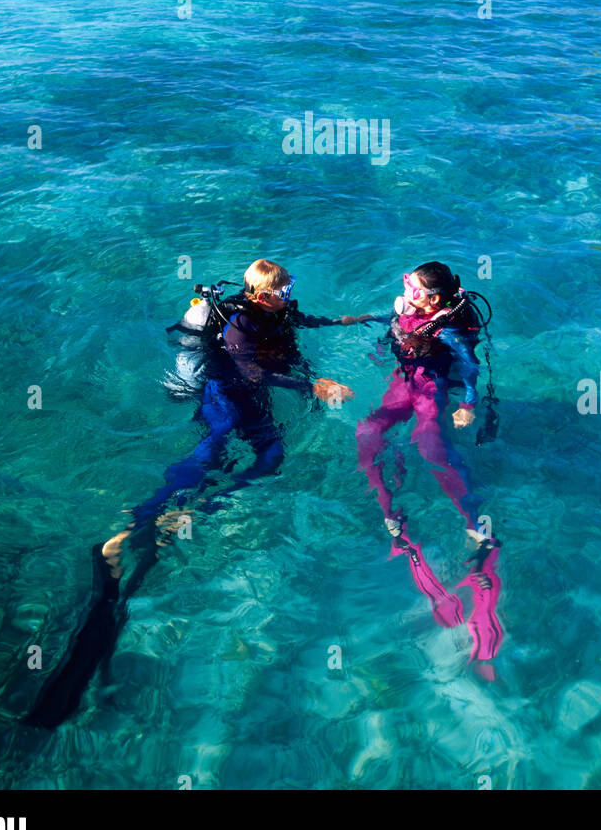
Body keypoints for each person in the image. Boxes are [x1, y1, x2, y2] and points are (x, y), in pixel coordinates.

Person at [26, 259, 364, 728]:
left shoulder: (277, 310)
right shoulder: (239, 323)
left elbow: (299, 321)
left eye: (291, 288)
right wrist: (314, 383)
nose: (290, 295)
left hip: (252, 394)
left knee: (268, 460)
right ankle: (132, 528)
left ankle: (187, 512)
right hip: (226, 393)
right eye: (285, 290)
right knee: (213, 451)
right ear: (262, 294)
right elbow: (250, 374)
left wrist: (353, 320)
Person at [355, 262, 502, 668]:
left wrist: (468, 404)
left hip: (430, 388)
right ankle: (390, 514)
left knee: (429, 444)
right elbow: (394, 331)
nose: (406, 290)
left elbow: (469, 365)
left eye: (413, 288)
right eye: (406, 281)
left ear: (434, 299)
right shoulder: (413, 309)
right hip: (404, 381)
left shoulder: (450, 326)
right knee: (367, 433)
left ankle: (475, 525)